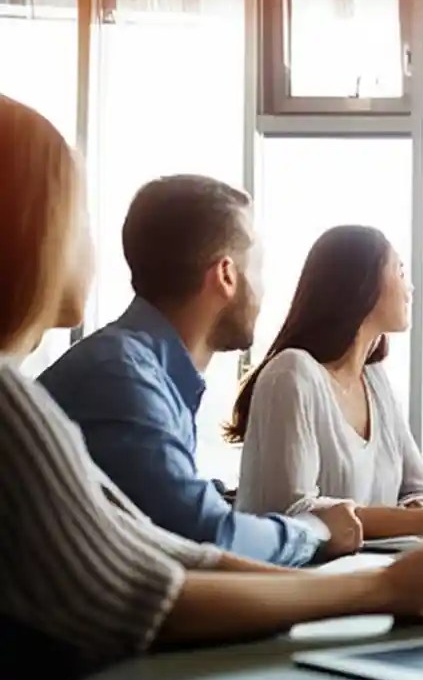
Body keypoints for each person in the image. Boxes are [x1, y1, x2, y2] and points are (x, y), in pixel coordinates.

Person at [0, 94, 423, 680]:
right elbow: (154, 585)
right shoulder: (108, 378)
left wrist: (377, 572)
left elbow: (161, 549)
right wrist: (374, 587)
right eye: (79, 220)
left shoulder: (128, 374)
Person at [38, 174, 362, 566]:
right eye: (256, 269)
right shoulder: (121, 376)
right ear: (226, 275)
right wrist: (315, 529)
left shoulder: (138, 367)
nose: (263, 290)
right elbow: (204, 536)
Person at [227, 225, 423, 539]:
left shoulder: (374, 379)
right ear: (363, 283)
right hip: (295, 582)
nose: (411, 287)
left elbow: (419, 488)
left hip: (366, 577)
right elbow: (293, 513)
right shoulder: (292, 373)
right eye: (401, 270)